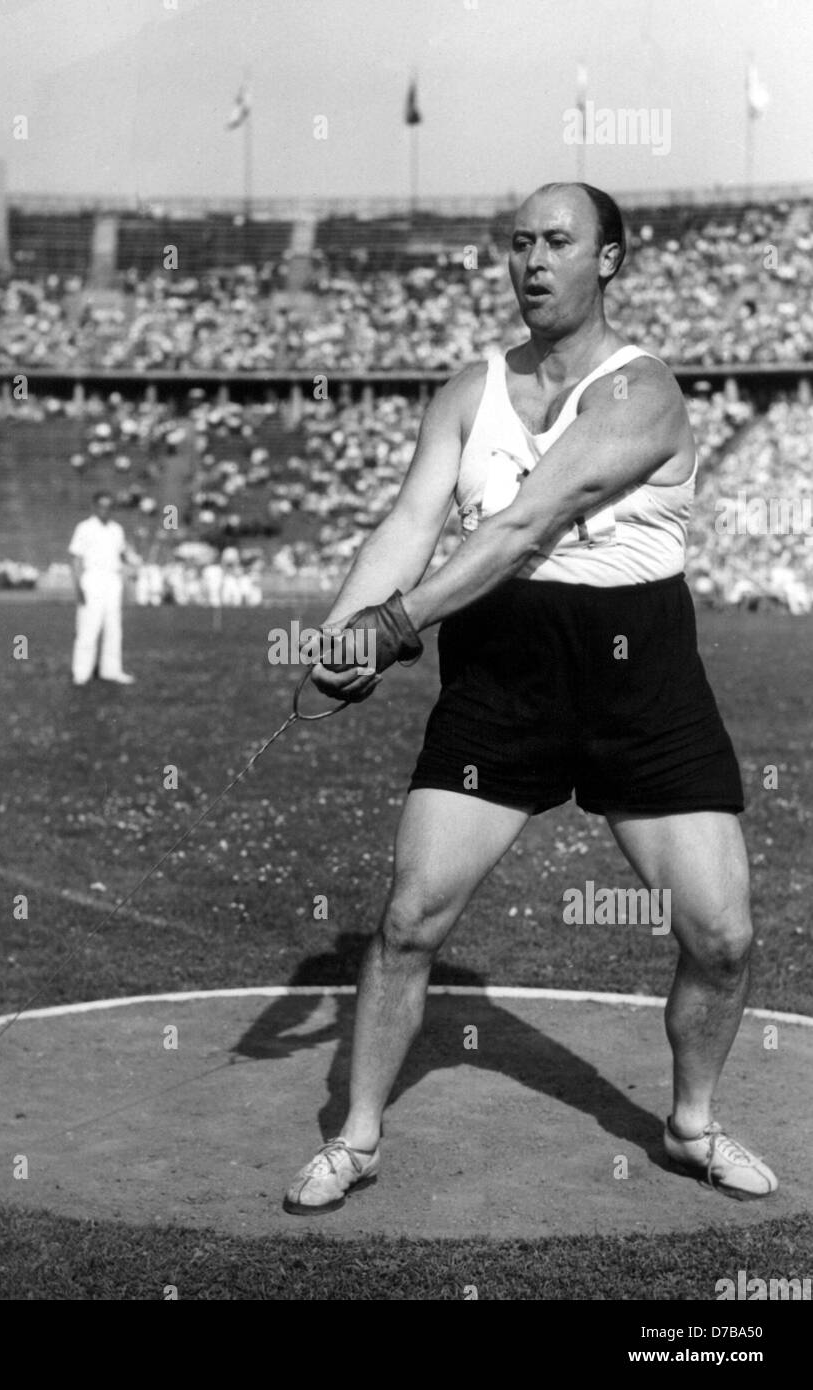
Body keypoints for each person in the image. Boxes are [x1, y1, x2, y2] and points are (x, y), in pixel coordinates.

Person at [285, 182, 777, 1214]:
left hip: (640, 680)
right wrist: (341, 626)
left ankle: (690, 1124)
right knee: (410, 919)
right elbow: (411, 523)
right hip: (501, 681)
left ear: (609, 260)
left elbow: (518, 528)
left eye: (559, 241)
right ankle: (358, 1137)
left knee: (721, 934)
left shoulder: (641, 391)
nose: (532, 261)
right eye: (518, 243)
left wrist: (392, 628)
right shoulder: (467, 392)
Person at [68, 490, 135, 685]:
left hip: (112, 581)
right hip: (92, 581)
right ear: (95, 507)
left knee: (114, 628)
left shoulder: (117, 529)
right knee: (88, 628)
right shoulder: (84, 528)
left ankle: (111, 671)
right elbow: (76, 559)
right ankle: (81, 673)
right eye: (101, 506)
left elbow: (122, 555)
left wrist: (131, 567)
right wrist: (78, 587)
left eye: (109, 507)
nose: (105, 510)